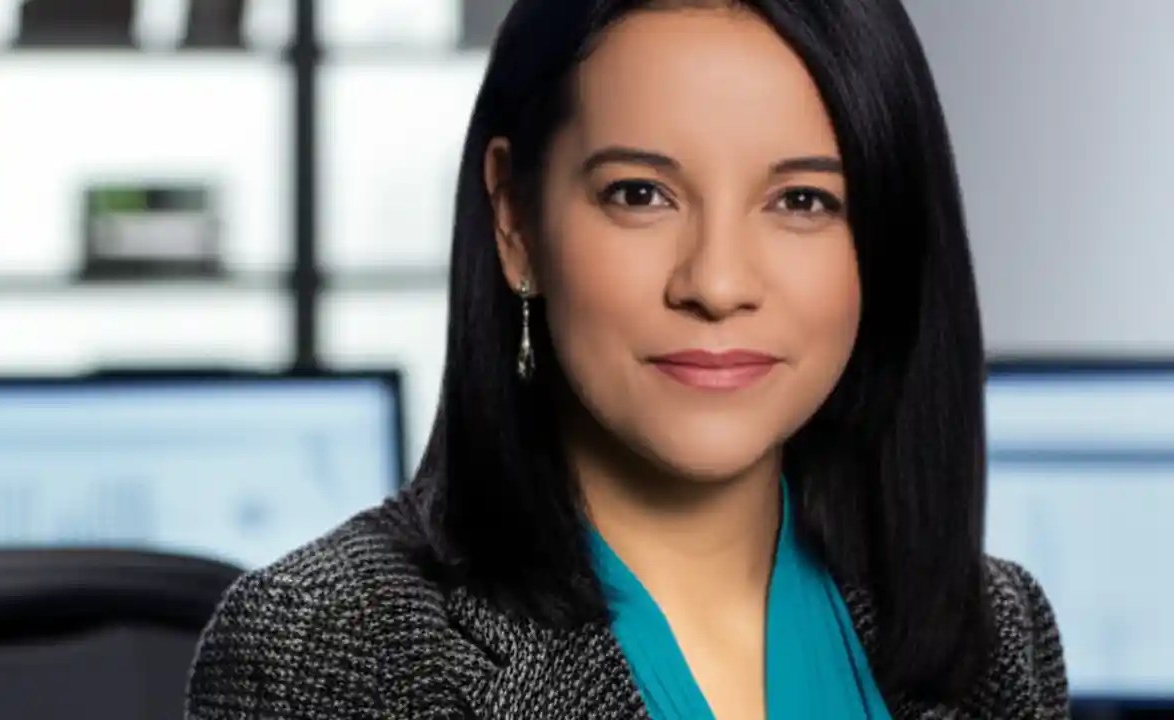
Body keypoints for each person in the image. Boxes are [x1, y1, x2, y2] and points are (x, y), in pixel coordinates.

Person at [186, 1, 1069, 717]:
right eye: (640, 194)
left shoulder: (995, 632)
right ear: (515, 220)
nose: (717, 283)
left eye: (802, 199)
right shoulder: (331, 647)